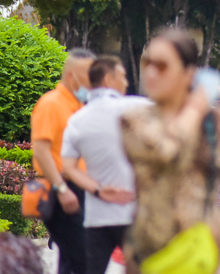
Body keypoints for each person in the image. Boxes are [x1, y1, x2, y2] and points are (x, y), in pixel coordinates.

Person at [120, 30, 220, 274]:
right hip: (151, 253)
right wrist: (196, 106)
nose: (150, 72)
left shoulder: (213, 121)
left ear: (188, 74)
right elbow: (165, 150)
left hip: (205, 255)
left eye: (161, 66)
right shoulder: (134, 120)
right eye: (147, 63)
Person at [60, 56, 151, 274]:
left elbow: (68, 167)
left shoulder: (77, 120)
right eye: (123, 76)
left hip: (97, 217)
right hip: (132, 212)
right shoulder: (136, 107)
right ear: (109, 79)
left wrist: (99, 190)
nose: (126, 83)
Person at [32, 47, 95, 274]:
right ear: (71, 76)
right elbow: (41, 150)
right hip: (60, 190)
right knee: (83, 257)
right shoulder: (51, 104)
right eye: (89, 77)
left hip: (77, 189)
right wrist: (61, 188)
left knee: (71, 262)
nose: (93, 84)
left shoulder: (79, 108)